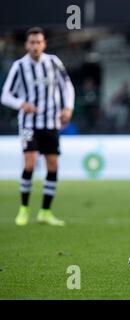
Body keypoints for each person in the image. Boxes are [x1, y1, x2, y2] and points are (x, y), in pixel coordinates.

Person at [0, 27, 75, 226]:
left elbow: (67, 85)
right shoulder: (19, 66)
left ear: (44, 44)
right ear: (27, 45)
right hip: (29, 124)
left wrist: (68, 107)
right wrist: (21, 104)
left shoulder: (53, 62)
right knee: (30, 163)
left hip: (51, 122)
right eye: (32, 42)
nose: (35, 46)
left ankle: (45, 211)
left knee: (53, 165)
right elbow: (6, 95)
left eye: (38, 42)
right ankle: (24, 209)